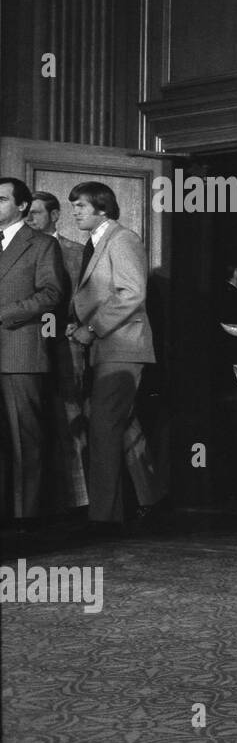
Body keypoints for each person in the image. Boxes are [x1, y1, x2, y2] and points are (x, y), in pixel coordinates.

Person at [66, 182, 156, 531]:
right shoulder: (97, 242)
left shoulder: (122, 238)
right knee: (122, 424)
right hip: (108, 347)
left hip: (121, 345)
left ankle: (104, 516)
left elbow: (132, 293)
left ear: (102, 208)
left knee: (103, 426)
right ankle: (152, 498)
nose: (75, 212)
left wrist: (92, 328)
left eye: (81, 206)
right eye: (73, 206)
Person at [0, 177, 69, 528]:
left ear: (22, 206)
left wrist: (6, 313)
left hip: (20, 352)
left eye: (1, 199)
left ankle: (26, 520)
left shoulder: (41, 244)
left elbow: (51, 294)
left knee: (26, 440)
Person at [25, 190, 90, 514]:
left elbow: (89, 296)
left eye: (36, 213)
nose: (30, 219)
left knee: (71, 418)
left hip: (66, 348)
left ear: (54, 215)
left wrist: (77, 326)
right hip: (27, 347)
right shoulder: (20, 250)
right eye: (28, 213)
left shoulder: (75, 253)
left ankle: (78, 502)